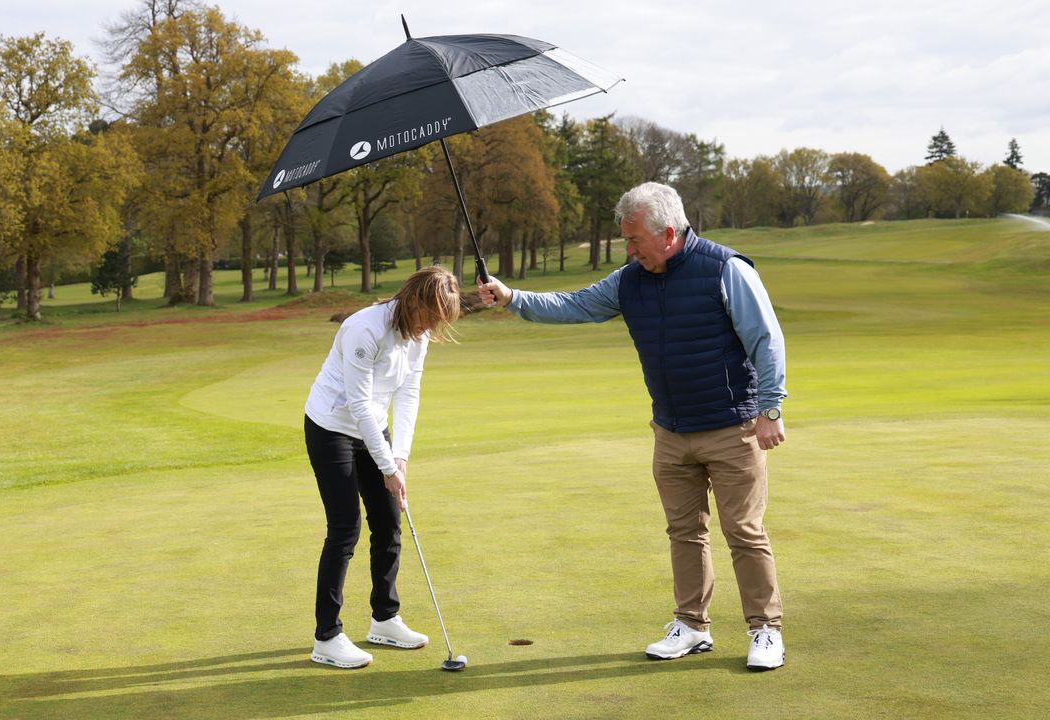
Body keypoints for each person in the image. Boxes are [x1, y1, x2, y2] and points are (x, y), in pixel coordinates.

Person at [478, 182, 789, 671]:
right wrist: (512, 296)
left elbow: (765, 340)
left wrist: (771, 409)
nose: (629, 249)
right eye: (626, 241)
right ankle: (691, 626)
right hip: (670, 429)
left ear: (668, 234)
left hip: (733, 426)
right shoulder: (629, 280)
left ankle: (765, 630)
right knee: (684, 532)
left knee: (744, 532)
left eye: (634, 239)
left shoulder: (726, 269)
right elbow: (574, 305)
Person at [303, 266, 462, 669]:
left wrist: (401, 458)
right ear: (413, 301)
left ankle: (385, 618)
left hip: (374, 426)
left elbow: (409, 393)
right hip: (332, 427)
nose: (431, 326)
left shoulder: (419, 335)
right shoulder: (364, 328)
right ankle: (327, 637)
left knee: (389, 521)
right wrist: (387, 465)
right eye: (429, 316)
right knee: (344, 528)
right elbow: (357, 405)